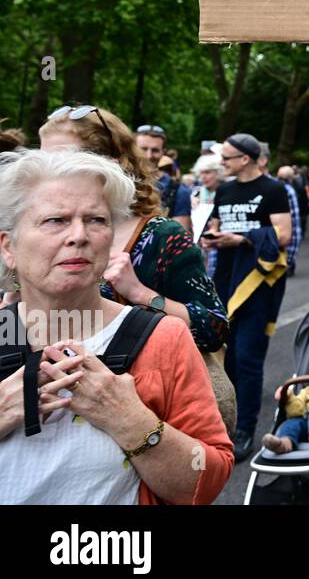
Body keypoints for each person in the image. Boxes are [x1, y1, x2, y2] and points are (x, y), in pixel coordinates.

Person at [0, 148, 233, 503]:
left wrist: (130, 421)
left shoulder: (161, 338)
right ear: (8, 247)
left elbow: (205, 483)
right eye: (55, 220)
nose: (79, 235)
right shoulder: (5, 330)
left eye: (96, 220)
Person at [39, 106, 229, 354]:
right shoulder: (35, 230)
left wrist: (139, 293)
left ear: (110, 164)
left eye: (63, 161)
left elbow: (215, 330)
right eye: (42, 160)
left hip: (136, 389)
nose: (46, 173)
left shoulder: (161, 237)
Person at [203, 132, 292, 462]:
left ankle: (245, 430)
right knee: (227, 354)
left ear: (245, 159)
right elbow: (215, 222)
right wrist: (212, 237)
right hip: (224, 278)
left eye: (226, 158)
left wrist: (240, 240)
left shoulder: (273, 189)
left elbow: (284, 235)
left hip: (257, 281)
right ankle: (227, 422)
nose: (221, 163)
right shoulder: (224, 189)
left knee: (249, 357)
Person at [135, 124, 191, 231]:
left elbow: (179, 239)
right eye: (143, 149)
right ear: (133, 149)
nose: (149, 155)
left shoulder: (178, 190)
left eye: (155, 150)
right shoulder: (121, 182)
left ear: (163, 152)